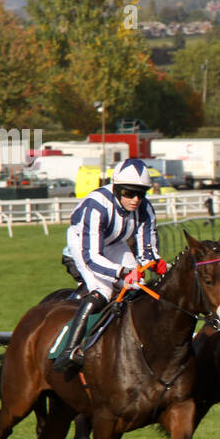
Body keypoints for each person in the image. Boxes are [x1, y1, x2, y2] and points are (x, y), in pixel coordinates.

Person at [53, 158, 163, 372]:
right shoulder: (96, 205)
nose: (135, 200)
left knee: (136, 286)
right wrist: (122, 271)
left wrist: (154, 262)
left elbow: (146, 246)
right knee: (103, 289)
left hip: (114, 242)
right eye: (129, 193)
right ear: (117, 189)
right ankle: (69, 350)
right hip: (83, 244)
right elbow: (92, 256)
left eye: (141, 193)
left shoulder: (145, 208)